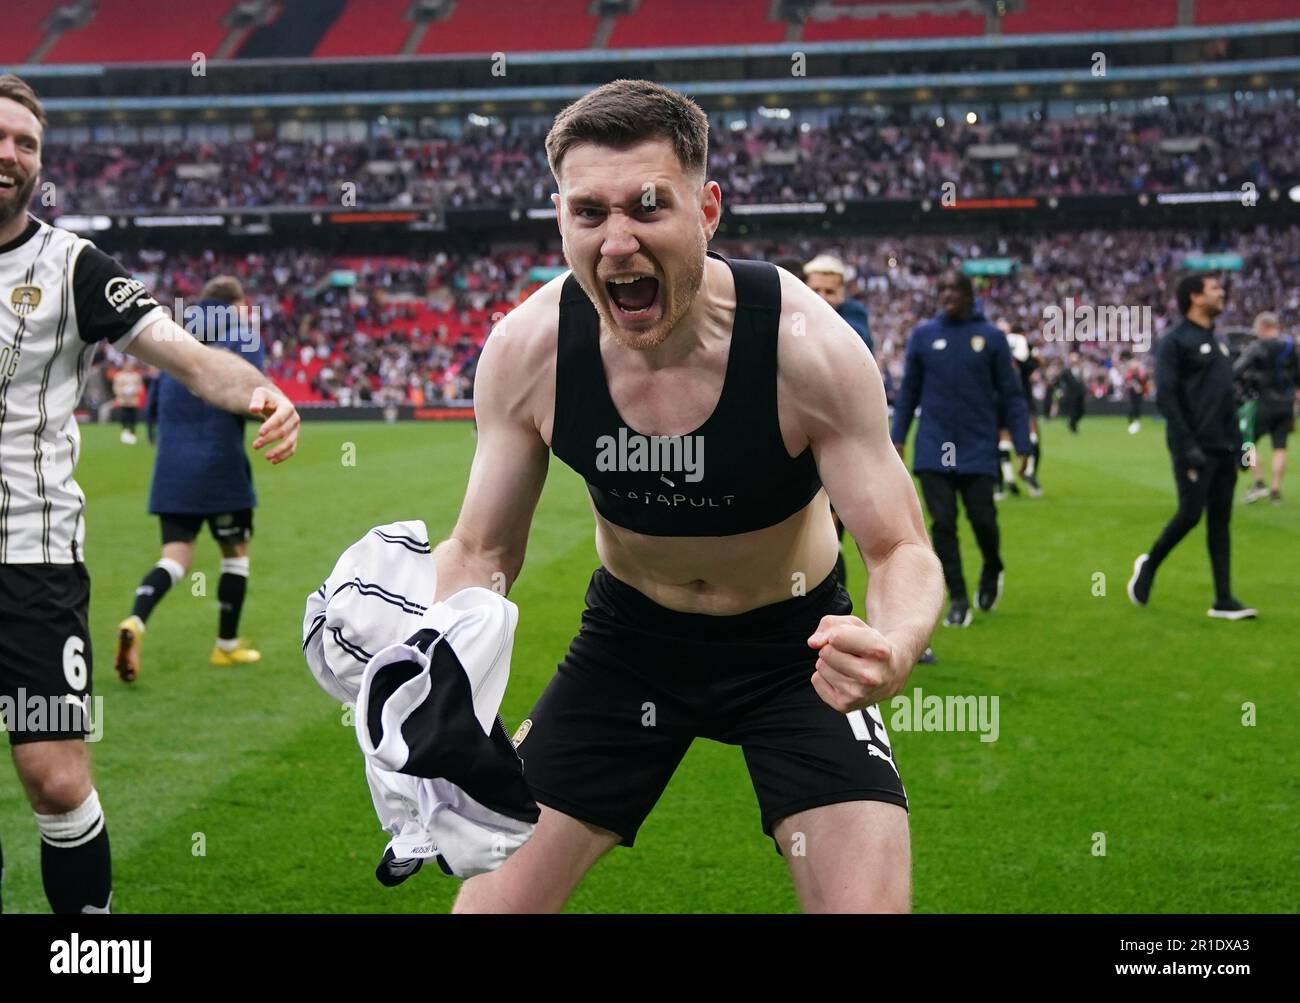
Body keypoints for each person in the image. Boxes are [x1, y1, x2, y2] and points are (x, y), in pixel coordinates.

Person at [436, 80, 943, 914]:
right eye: (589, 213)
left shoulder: (804, 346)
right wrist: (434, 662)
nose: (618, 242)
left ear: (707, 209)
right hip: (626, 645)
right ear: (560, 217)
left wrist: (891, 642)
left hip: (796, 649)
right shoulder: (529, 350)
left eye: (647, 206)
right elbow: (482, 551)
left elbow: (900, 548)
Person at [0, 74, 300, 914]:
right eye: (0, 136)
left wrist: (258, 391)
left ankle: (88, 953)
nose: (10, 153)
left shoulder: (74, 266)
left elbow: (183, 351)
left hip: (32, 560)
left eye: (26, 142)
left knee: (55, 776)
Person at [115, 277, 267, 682]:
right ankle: (226, 648)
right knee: (234, 555)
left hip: (172, 469)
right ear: (236, 303)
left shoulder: (172, 333)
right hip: (221, 465)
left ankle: (136, 620)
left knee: (174, 558)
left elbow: (154, 408)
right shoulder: (242, 335)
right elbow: (255, 396)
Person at [892, 271, 1031, 628]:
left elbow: (1012, 394)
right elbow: (908, 394)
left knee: (983, 519)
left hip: (977, 445)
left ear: (971, 295)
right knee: (942, 526)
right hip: (934, 446)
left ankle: (992, 565)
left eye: (956, 289)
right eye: (943, 289)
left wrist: (1022, 441)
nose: (948, 295)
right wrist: (898, 438)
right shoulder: (923, 337)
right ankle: (957, 598)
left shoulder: (991, 338)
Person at [1127, 275, 1254, 619]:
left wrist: (1243, 448)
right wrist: (1186, 446)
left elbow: (1230, 402)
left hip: (1224, 446)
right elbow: (1166, 397)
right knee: (1189, 514)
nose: (1221, 293)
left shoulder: (1221, 344)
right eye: (1214, 289)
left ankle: (1223, 599)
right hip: (1195, 446)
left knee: (1221, 522)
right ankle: (1149, 565)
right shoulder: (1174, 342)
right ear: (1195, 297)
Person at [1235, 311, 1298, 505]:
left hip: (1262, 403)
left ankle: (1259, 481)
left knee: (1247, 442)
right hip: (1286, 404)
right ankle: (1276, 491)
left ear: (1262, 327)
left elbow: (1237, 370)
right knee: (1280, 447)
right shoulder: (1291, 347)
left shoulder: (1257, 347)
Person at [803, 253, 873, 354]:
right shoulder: (797, 313)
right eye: (815, 290)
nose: (821, 297)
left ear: (842, 292)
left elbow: (852, 340)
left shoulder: (856, 313)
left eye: (829, 291)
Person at [1051, 353, 1086, 434]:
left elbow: (1081, 382)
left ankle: (1072, 423)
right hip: (1071, 395)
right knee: (1073, 412)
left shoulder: (1080, 370)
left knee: (1081, 412)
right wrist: (1059, 389)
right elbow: (1059, 381)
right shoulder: (1066, 371)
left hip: (1080, 394)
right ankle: (1073, 427)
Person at [111, 358, 143, 445]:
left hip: (133, 401)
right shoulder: (119, 376)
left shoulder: (136, 376)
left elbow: (140, 387)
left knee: (133, 418)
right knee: (124, 417)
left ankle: (133, 433)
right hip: (123, 401)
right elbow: (115, 388)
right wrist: (123, 391)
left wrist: (133, 391)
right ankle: (124, 432)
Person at [1125, 355, 1148, 435]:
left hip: (1139, 395)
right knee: (1131, 408)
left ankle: (1137, 423)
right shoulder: (1129, 375)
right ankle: (1131, 423)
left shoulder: (1140, 375)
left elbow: (1144, 383)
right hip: (1132, 394)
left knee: (1138, 409)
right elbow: (1128, 384)